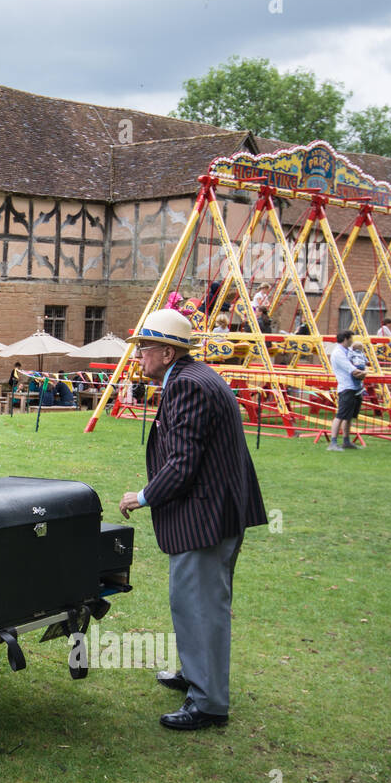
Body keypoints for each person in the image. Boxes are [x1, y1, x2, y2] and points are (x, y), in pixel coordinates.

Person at [118, 309, 266, 731]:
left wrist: (142, 497)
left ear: (168, 353)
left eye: (145, 348)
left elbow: (183, 463)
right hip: (218, 513)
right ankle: (195, 674)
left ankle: (208, 703)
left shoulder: (187, 385)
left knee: (199, 607)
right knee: (198, 602)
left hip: (205, 518)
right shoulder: (198, 376)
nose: (139, 356)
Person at [327, 330, 368, 451]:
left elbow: (360, 364)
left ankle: (346, 441)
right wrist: (364, 373)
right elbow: (353, 370)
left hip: (356, 388)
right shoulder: (338, 353)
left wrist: (363, 371)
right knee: (340, 415)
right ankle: (333, 443)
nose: (352, 341)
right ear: (346, 338)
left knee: (349, 416)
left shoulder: (349, 351)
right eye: (351, 338)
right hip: (347, 387)